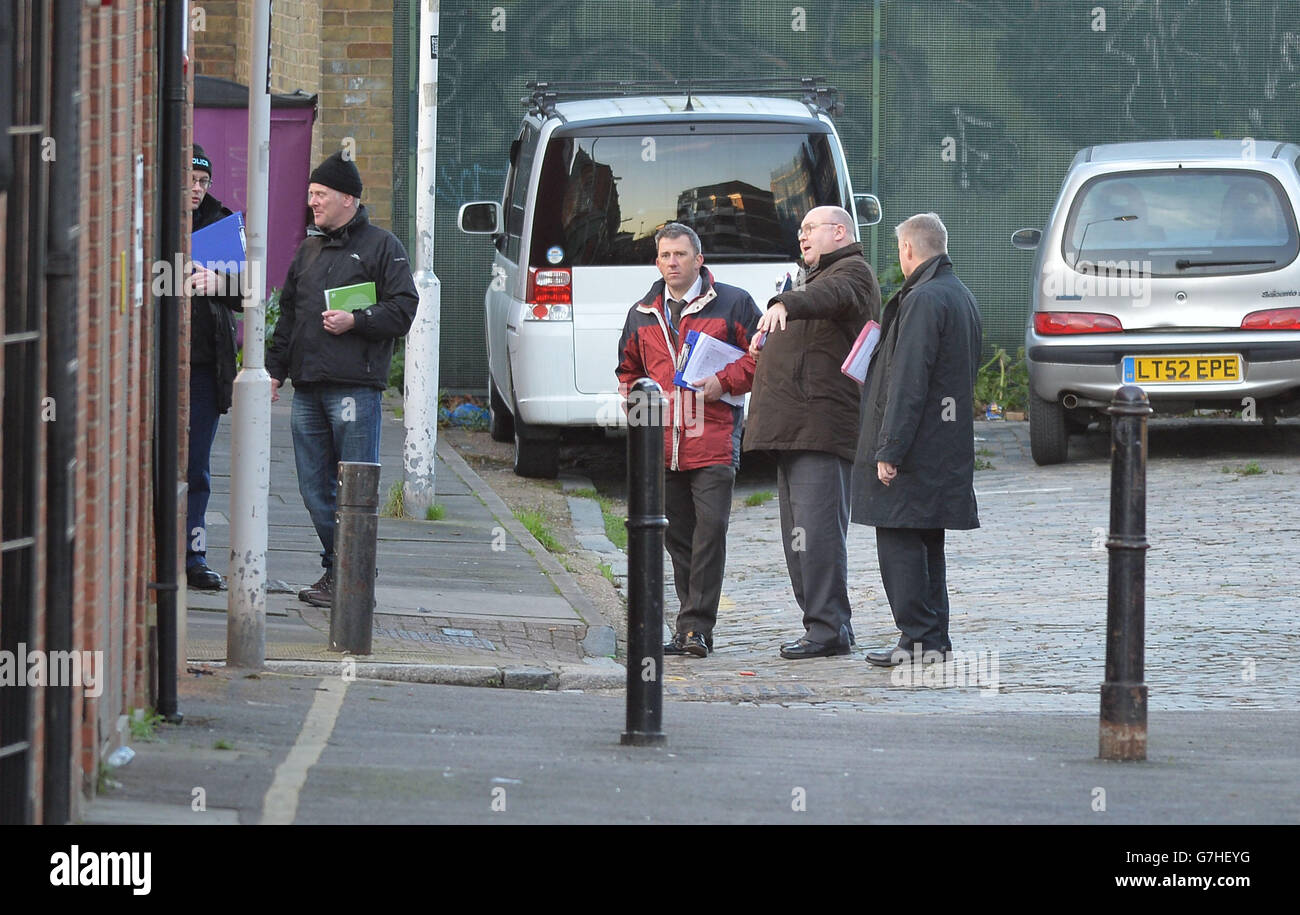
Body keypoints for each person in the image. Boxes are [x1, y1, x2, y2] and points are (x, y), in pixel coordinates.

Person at [267, 150, 419, 607]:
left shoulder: (382, 246)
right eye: (310, 194)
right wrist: (274, 371)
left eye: (320, 194)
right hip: (308, 390)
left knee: (354, 490)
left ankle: (351, 581)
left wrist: (357, 320)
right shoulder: (308, 249)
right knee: (314, 490)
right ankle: (344, 571)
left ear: (348, 198)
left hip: (355, 390)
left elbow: (404, 308)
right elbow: (289, 316)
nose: (312, 202)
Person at [616, 223, 761, 657]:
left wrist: (721, 382)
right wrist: (638, 419)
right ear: (657, 262)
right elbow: (628, 373)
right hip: (662, 444)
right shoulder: (642, 311)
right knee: (676, 535)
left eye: (680, 254)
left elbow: (760, 359)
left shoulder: (734, 304)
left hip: (712, 437)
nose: (672, 262)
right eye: (665, 256)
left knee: (710, 530)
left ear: (699, 259)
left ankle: (698, 627)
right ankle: (686, 625)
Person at [744, 205, 880, 659]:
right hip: (793, 428)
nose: (801, 237)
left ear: (839, 231)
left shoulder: (852, 272)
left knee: (817, 534)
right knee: (799, 537)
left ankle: (828, 629)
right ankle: (825, 623)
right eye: (800, 230)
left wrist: (786, 302)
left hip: (819, 426)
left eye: (810, 229)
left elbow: (833, 297)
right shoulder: (811, 277)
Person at [851, 213, 982, 667]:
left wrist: (890, 449)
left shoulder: (923, 299)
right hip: (942, 446)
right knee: (927, 543)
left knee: (902, 542)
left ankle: (918, 639)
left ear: (908, 250)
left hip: (915, 447)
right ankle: (932, 639)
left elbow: (908, 381)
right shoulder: (959, 293)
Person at [185, 144, 243, 590]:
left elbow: (245, 296)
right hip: (159, 364)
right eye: (191, 179)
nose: (197, 189)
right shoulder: (156, 214)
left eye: (203, 182)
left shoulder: (221, 222)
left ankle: (193, 554)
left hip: (205, 365)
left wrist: (221, 281)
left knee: (197, 466)